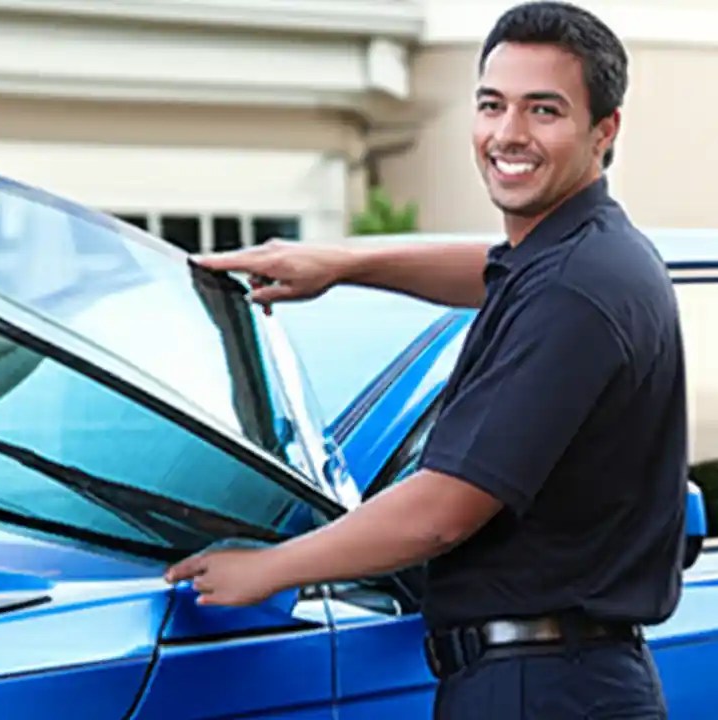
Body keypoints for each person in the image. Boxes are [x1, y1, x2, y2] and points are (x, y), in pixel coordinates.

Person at [164, 2, 687, 718]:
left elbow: (441, 512)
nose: (508, 134)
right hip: (564, 678)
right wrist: (339, 263)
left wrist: (269, 569)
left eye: (544, 110)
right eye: (491, 105)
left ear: (605, 130)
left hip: (542, 691)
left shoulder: (576, 287)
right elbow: (492, 269)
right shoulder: (590, 254)